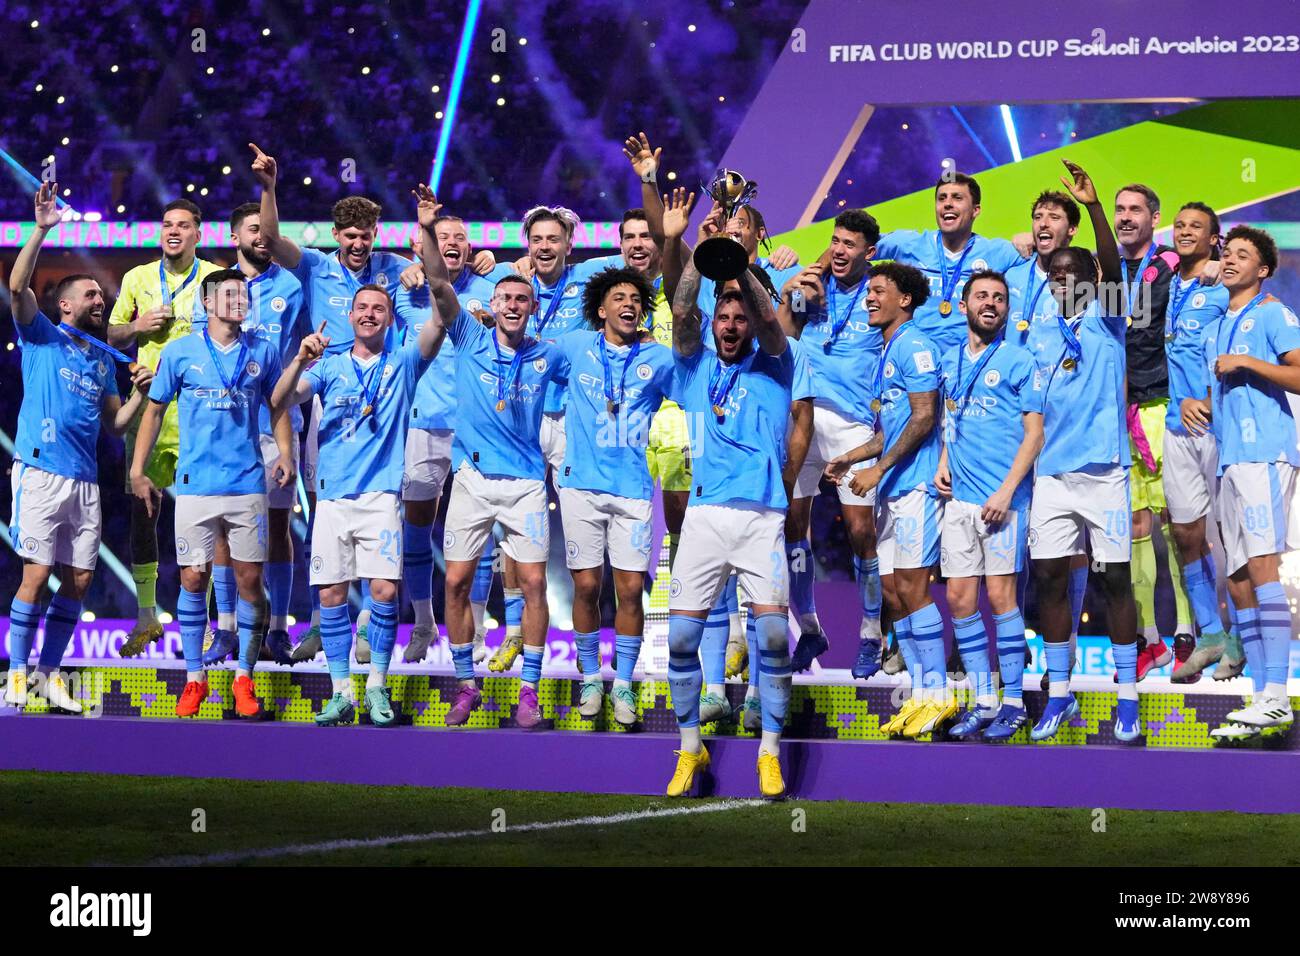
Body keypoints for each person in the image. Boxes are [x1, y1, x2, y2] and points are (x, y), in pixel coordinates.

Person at [250, 142, 415, 663]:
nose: (359, 244)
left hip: (385, 388)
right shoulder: (317, 266)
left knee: (384, 502)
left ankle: (371, 618)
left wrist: (427, 261)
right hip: (325, 385)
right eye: (350, 236)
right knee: (328, 506)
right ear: (336, 236)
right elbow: (271, 238)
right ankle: (327, 620)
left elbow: (434, 278)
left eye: (366, 236)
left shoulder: (392, 267)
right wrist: (270, 187)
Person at [414, 185, 570, 729]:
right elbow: (437, 281)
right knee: (455, 582)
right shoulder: (469, 338)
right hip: (473, 479)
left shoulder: (550, 356)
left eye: (521, 299)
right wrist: (429, 229)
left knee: (532, 585)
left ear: (530, 308)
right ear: (493, 305)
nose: (511, 305)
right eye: (504, 298)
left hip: (527, 482)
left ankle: (528, 690)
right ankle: (465, 684)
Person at [271, 265, 442, 726]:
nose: (369, 315)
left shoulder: (404, 362)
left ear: (390, 319)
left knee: (384, 590)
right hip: (331, 499)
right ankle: (341, 691)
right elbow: (279, 401)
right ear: (349, 316)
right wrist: (299, 361)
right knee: (329, 595)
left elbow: (438, 325)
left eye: (379, 309)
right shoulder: (328, 366)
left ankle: (377, 687)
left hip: (381, 497)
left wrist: (430, 265)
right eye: (362, 308)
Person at [6, 182, 154, 712]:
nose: (101, 299)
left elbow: (115, 424)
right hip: (40, 472)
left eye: (101, 294)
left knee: (81, 578)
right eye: (90, 294)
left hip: (84, 479)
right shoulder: (41, 334)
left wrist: (141, 395)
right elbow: (19, 284)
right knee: (37, 575)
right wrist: (42, 227)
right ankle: (17, 675)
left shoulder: (98, 358)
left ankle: (49, 676)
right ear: (65, 304)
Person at [131, 270, 294, 718]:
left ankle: (244, 677)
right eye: (229, 293)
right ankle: (194, 678)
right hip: (194, 486)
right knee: (191, 579)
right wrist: (137, 469)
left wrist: (285, 453)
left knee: (249, 581)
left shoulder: (264, 350)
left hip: (246, 485)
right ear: (207, 302)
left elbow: (277, 405)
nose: (239, 300)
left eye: (243, 294)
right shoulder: (180, 352)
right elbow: (153, 411)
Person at [664, 247, 794, 800]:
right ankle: (691, 749)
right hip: (704, 517)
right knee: (679, 639)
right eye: (725, 317)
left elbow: (769, 320)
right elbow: (681, 308)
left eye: (739, 317)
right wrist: (703, 251)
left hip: (762, 515)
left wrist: (739, 265)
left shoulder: (776, 361)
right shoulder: (692, 368)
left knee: (770, 637)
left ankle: (769, 753)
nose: (733, 325)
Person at [1023, 165, 1143, 742]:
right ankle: (1061, 695)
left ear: (1092, 276)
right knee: (1048, 581)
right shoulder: (1038, 334)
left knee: (1114, 580)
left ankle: (1126, 696)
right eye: (1056, 274)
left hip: (1104, 474)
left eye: (1076, 271)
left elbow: (1113, 264)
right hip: (1051, 475)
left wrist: (1094, 208)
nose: (1064, 279)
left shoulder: (1110, 317)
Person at [825, 263, 946, 738]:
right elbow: (889, 428)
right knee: (895, 593)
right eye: (869, 291)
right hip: (895, 486)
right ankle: (920, 694)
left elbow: (923, 417)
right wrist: (850, 458)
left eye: (879, 291)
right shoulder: (889, 348)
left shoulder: (915, 345)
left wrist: (878, 469)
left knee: (914, 588)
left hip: (915, 485)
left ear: (906, 301)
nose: (870, 298)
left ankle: (936, 697)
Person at [554, 266, 674, 725]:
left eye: (635, 299)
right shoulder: (574, 346)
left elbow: (695, 387)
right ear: (601, 309)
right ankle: (589, 677)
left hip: (632, 490)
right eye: (618, 297)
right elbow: (528, 360)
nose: (628, 304)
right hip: (580, 485)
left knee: (628, 591)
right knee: (586, 586)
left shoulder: (657, 358)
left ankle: (622, 684)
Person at [1198, 226, 1300, 738]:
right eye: (1228, 253)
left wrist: (1247, 363)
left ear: (1261, 270)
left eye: (1243, 255)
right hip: (1230, 460)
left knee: (1263, 567)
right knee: (1238, 575)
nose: (1231, 260)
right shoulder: (1220, 323)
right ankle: (1263, 695)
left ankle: (1278, 695)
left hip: (1265, 456)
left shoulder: (1273, 312)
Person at [110, 199, 223, 657]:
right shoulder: (137, 278)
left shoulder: (215, 277)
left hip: (201, 414)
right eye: (167, 225)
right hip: (150, 414)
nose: (173, 231)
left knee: (203, 520)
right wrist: (138, 324)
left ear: (198, 233)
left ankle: (205, 623)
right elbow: (112, 333)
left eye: (183, 225)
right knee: (144, 512)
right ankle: (146, 616)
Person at [934, 271, 1044, 741]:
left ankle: (1015, 702)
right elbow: (950, 413)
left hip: (1004, 502)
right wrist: (943, 459)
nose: (991, 303)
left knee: (1001, 598)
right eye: (982, 296)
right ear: (964, 306)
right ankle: (983, 700)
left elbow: (1035, 434)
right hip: (958, 501)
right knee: (959, 599)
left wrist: (1005, 492)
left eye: (999, 297)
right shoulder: (948, 360)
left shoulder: (1022, 361)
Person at [195, 202, 305, 667]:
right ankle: (225, 630)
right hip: (228, 428)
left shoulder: (293, 285)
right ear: (234, 235)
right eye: (252, 230)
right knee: (223, 528)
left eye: (266, 230)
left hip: (276, 426)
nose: (261, 237)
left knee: (277, 529)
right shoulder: (216, 287)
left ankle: (277, 629)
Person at [779, 210, 885, 678]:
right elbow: (782, 339)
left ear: (870, 252)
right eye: (835, 242)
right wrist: (796, 294)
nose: (840, 251)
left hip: (853, 425)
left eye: (850, 244)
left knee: (861, 533)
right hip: (802, 415)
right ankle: (809, 627)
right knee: (792, 527)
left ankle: (870, 634)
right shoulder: (811, 292)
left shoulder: (878, 296)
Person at [394, 218, 496, 664]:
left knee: (482, 532)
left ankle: (473, 629)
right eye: (439, 239)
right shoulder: (405, 290)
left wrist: (514, 261)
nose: (449, 244)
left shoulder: (491, 283)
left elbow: (530, 271)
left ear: (471, 247)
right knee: (416, 527)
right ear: (421, 246)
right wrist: (409, 269)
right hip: (422, 421)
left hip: (477, 425)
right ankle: (422, 622)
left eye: (458, 238)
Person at [1113, 184, 1195, 677]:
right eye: (1119, 209)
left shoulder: (1170, 266)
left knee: (1175, 524)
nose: (1125, 217)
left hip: (1163, 408)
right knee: (1134, 529)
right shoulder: (1104, 272)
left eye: (1135, 210)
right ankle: (1149, 638)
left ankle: (1187, 627)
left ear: (1154, 217)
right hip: (1118, 413)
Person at [1161, 203, 1238, 682]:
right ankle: (1210, 636)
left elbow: (1235, 345)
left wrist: (1206, 398)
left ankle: (1240, 636)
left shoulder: (1222, 284)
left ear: (1215, 239)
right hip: (1175, 426)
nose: (1185, 231)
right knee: (1185, 533)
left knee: (1231, 538)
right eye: (1181, 225)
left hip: (1214, 424)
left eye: (1197, 227)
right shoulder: (1171, 282)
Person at [872, 172, 1026, 357]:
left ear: (975, 210)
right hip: (913, 361)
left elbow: (1053, 263)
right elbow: (853, 244)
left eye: (957, 198)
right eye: (941, 198)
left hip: (970, 365)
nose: (947, 204)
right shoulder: (910, 244)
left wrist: (1030, 238)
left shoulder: (997, 251)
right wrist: (825, 267)